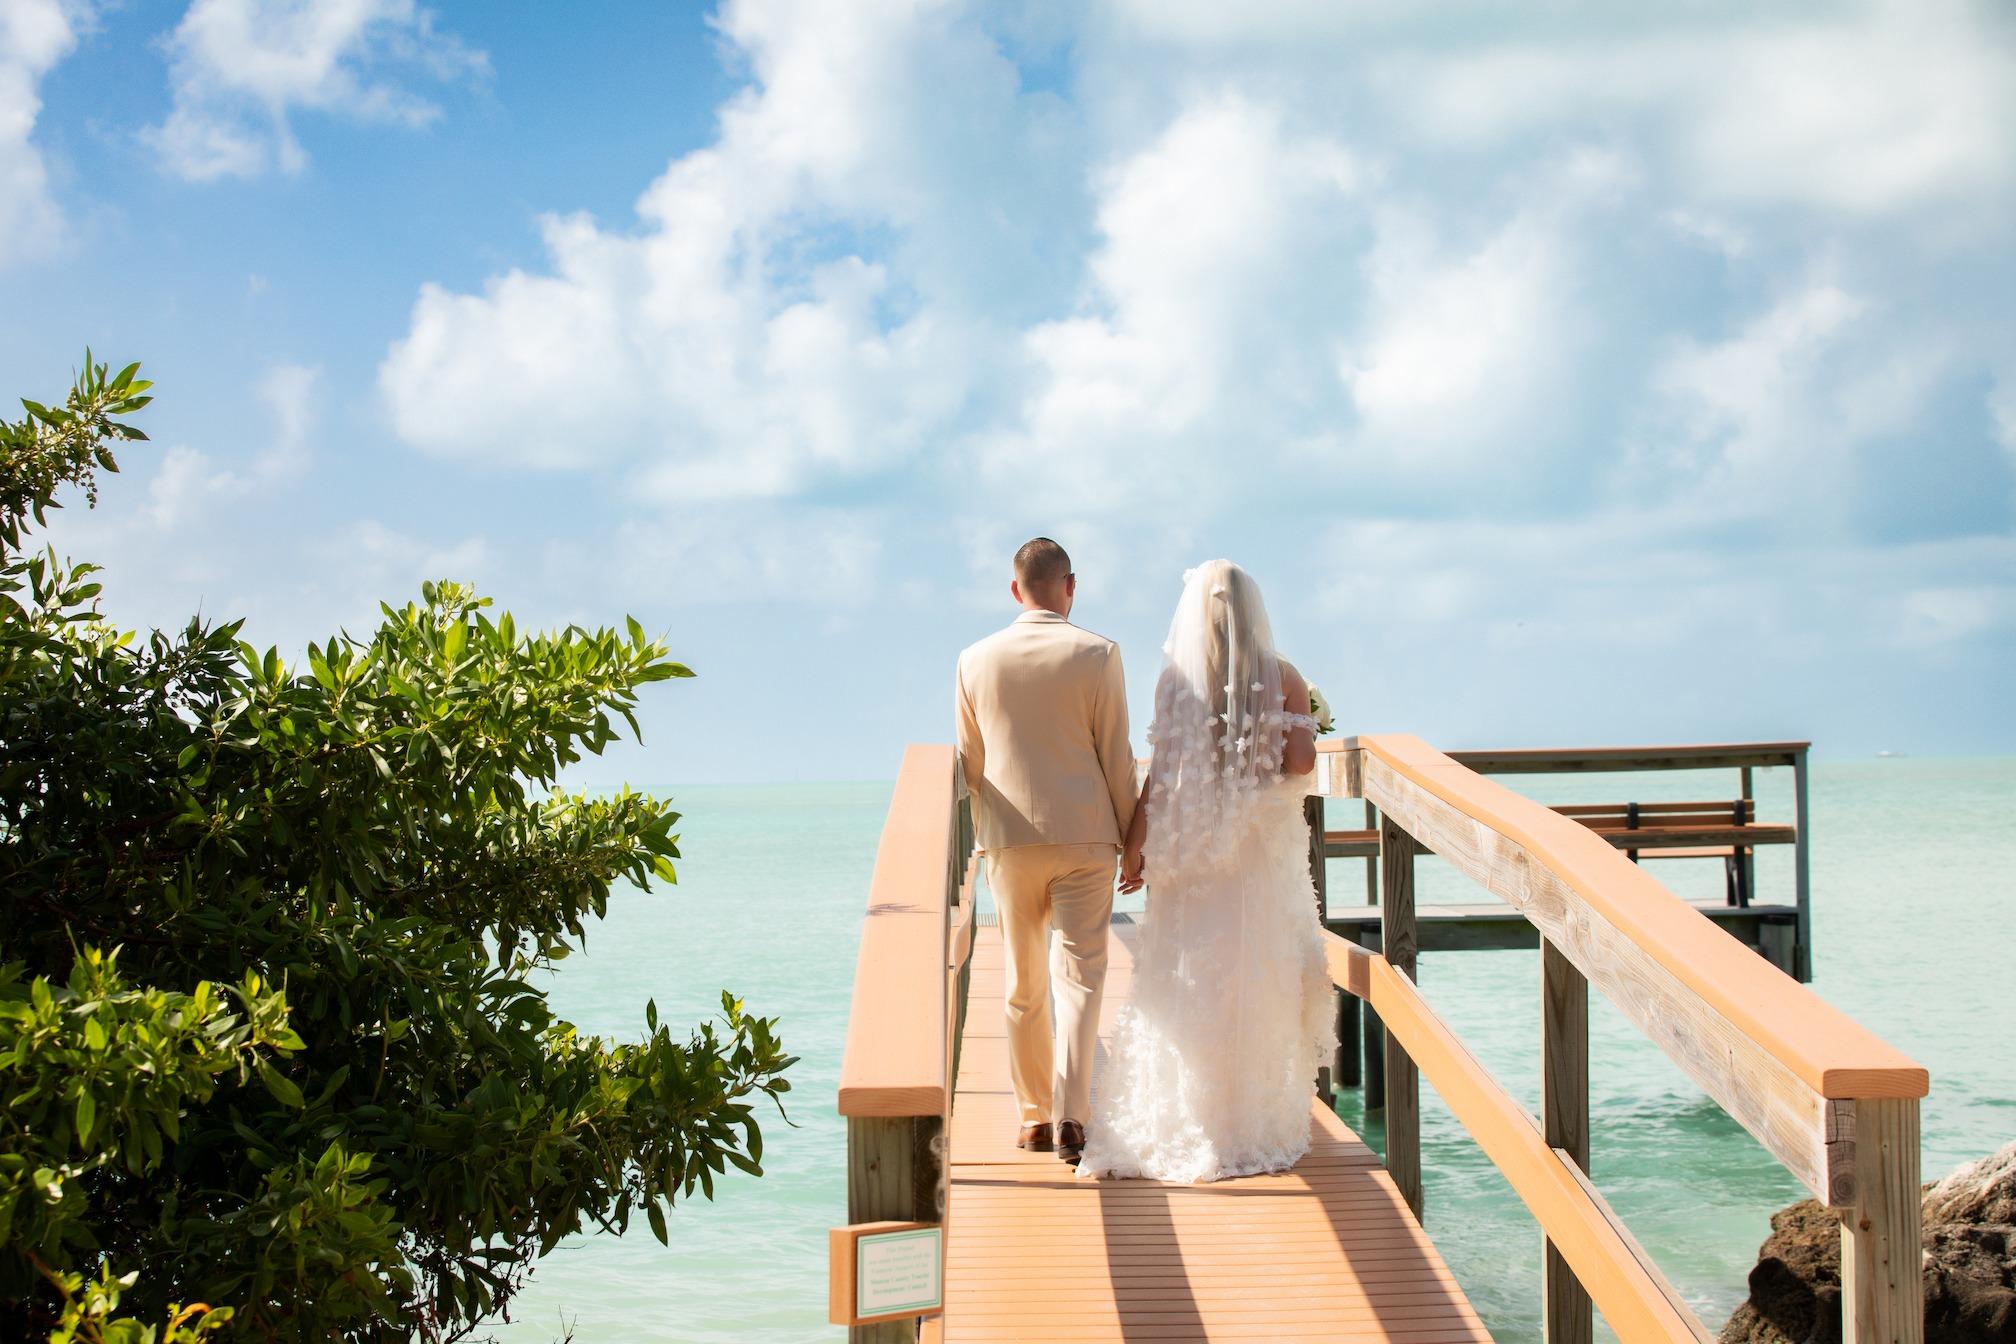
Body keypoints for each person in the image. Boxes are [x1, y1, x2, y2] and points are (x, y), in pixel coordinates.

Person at [1077, 559, 1337, 1183]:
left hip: (1191, 851)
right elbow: (1300, 764)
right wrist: (1303, 720)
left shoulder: (1175, 681)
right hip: (1254, 855)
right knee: (1253, 976)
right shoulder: (1282, 676)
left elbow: (1162, 770)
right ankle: (1242, 1121)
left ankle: (1185, 1115)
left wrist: (1136, 845)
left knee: (1187, 977)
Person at [955, 537, 1137, 1165]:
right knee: (1081, 980)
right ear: (1070, 586)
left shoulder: (974, 659)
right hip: (1086, 834)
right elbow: (1116, 756)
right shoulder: (1099, 653)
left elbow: (970, 763)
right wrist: (1133, 839)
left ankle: (1032, 1117)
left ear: (1015, 589)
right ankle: (1072, 1117)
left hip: (1010, 839)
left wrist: (983, 840)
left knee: (1022, 982)